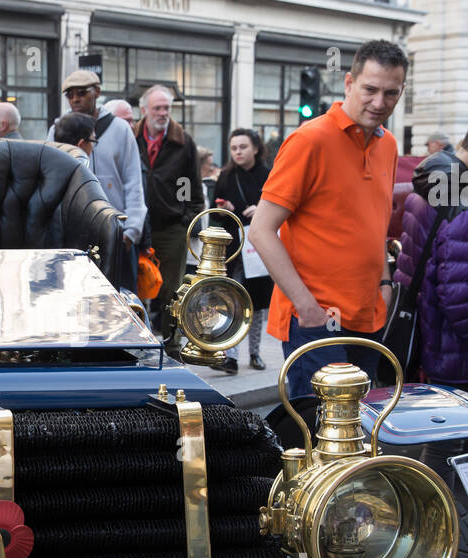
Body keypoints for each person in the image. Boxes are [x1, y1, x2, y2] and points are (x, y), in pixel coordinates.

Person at [248, 39, 406, 399]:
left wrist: (384, 283)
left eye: (391, 93)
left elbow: (374, 222)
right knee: (321, 429)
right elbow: (261, 230)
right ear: (349, 83)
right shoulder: (310, 140)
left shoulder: (388, 144)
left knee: (358, 424)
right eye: (370, 89)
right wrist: (306, 306)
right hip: (317, 320)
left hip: (368, 316)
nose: (379, 102)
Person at [52, 69, 146, 292]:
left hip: (116, 231)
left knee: (120, 297)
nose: (75, 99)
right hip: (73, 234)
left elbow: (133, 181)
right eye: (70, 94)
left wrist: (131, 231)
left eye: (81, 92)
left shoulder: (120, 128)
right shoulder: (57, 128)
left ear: (97, 92)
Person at [393, 136, 468, 386]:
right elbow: (459, 296)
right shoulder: (460, 196)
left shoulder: (433, 179)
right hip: (453, 349)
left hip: (429, 334)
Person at [134, 85, 204, 335]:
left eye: (167, 108)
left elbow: (190, 184)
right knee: (137, 286)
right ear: (144, 110)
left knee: (171, 290)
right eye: (158, 108)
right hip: (138, 224)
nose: (163, 113)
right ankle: (136, 343)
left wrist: (186, 218)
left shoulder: (183, 141)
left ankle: (171, 345)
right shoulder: (132, 137)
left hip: (172, 227)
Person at [211, 129, 272, 373]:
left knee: (257, 304)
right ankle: (231, 355)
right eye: (234, 148)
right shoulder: (226, 176)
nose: (238, 152)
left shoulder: (268, 174)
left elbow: (280, 205)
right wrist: (224, 207)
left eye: (243, 147)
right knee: (232, 300)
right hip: (234, 248)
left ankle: (255, 353)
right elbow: (214, 211)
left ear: (255, 149)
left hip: (258, 247)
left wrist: (261, 209)